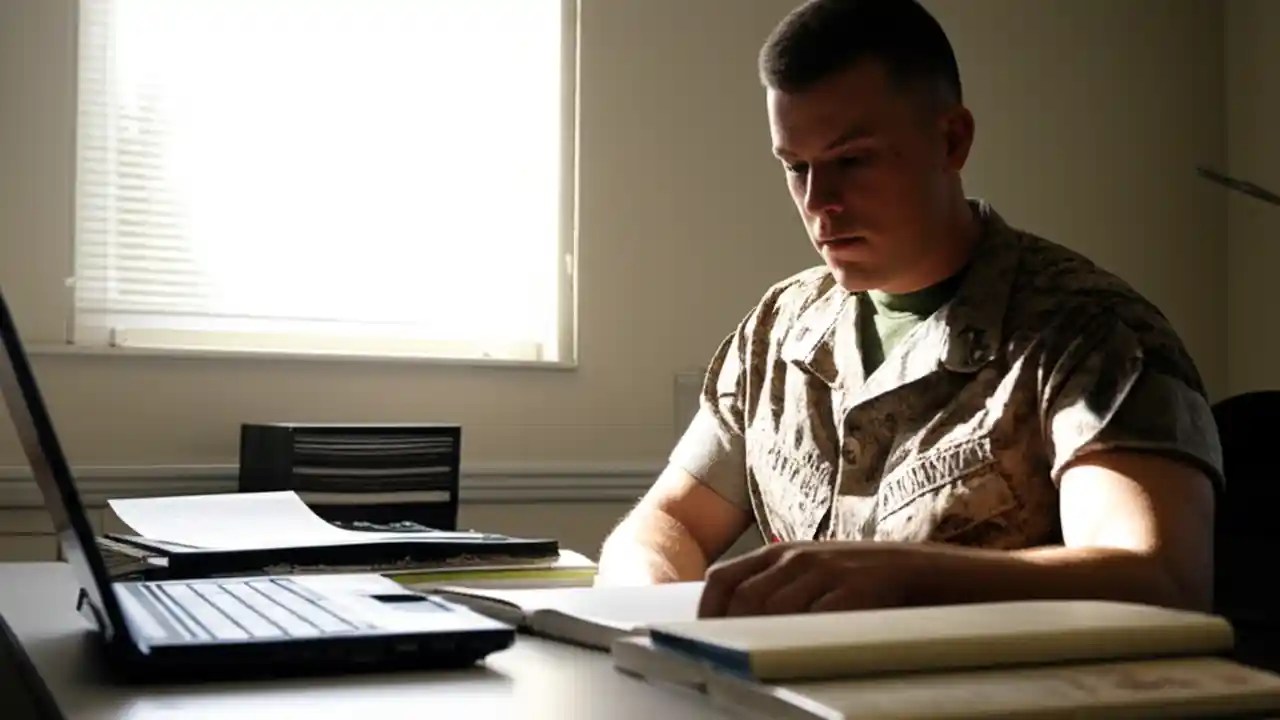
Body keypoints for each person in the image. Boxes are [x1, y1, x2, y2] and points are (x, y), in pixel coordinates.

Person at [594, 0, 1223, 619]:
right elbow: (666, 522)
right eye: (796, 167)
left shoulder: (1089, 334)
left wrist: (903, 580)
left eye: (853, 160)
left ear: (951, 140)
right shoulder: (781, 328)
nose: (821, 203)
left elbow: (1158, 576)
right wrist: (656, 605)